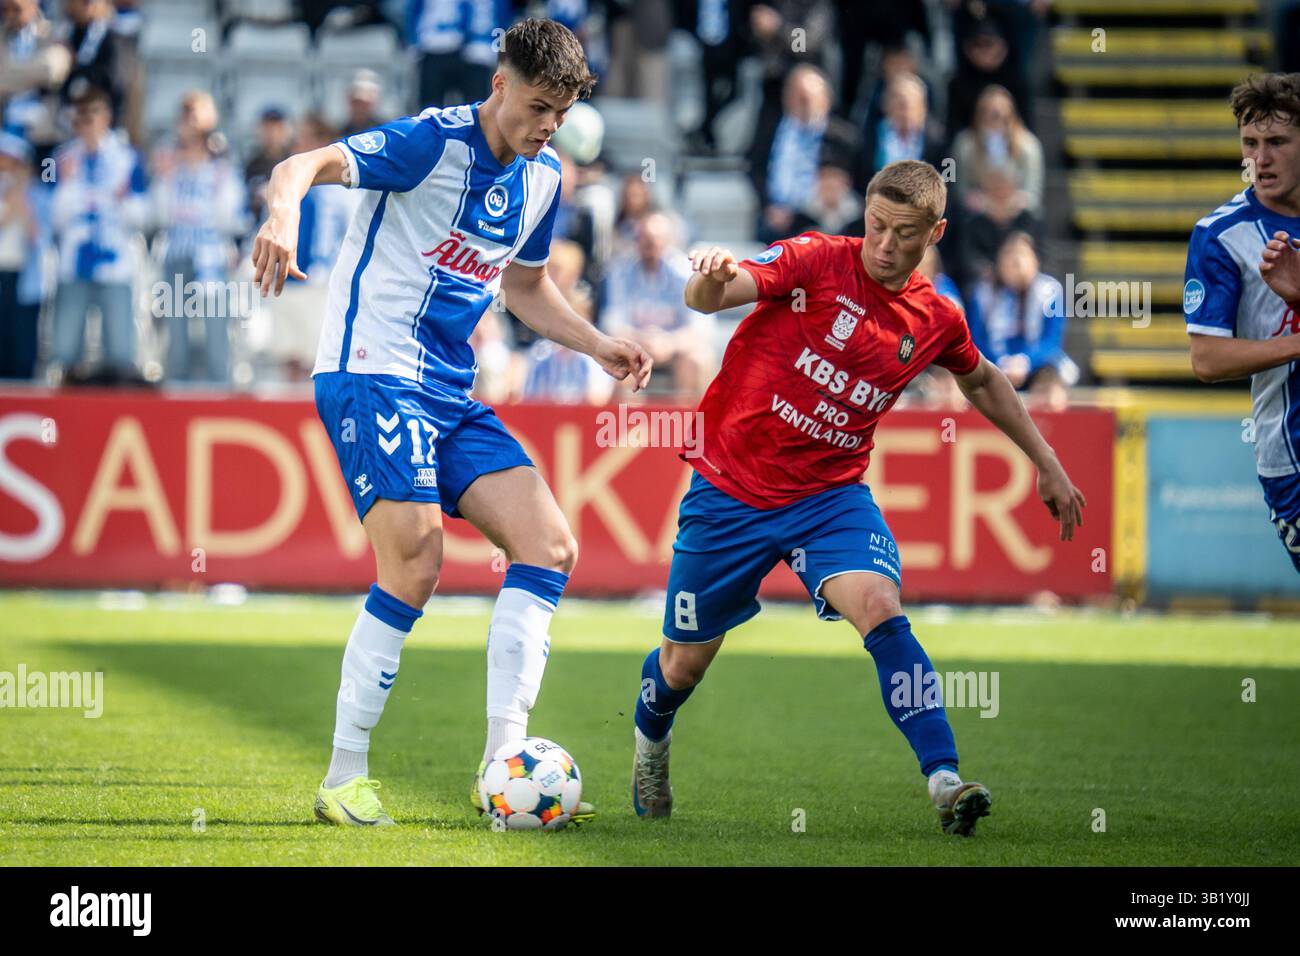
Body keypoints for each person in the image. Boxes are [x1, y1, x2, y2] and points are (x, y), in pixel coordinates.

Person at [251, 18, 652, 827]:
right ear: (499, 83)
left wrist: (598, 342)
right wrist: (282, 214)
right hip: (370, 370)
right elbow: (300, 165)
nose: (547, 127)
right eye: (538, 107)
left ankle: (502, 766)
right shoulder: (429, 144)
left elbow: (528, 289)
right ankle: (343, 777)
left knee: (549, 546)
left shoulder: (544, 180)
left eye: (562, 114)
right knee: (417, 562)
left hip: (446, 388)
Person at [630, 160, 1087, 834]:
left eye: (905, 233)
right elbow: (714, 297)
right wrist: (712, 276)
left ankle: (944, 779)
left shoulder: (934, 316)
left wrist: (1046, 461)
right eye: (876, 225)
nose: (885, 244)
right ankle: (651, 744)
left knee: (878, 604)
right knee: (683, 664)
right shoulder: (816, 259)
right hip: (731, 488)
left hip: (829, 496)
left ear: (936, 231)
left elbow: (983, 380)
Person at [1188, 72, 1300, 575]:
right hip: (1292, 454)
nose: (1261, 158)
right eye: (1250, 144)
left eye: (1277, 142)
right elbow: (1207, 358)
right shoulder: (1222, 235)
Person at [49, 86, 147, 383]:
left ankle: (117, 411)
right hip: (74, 263)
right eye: (80, 117)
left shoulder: (127, 158)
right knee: (65, 347)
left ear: (105, 117)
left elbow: (144, 215)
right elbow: (54, 218)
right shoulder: (62, 158)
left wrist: (121, 201)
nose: (86, 124)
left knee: (120, 349)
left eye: (92, 115)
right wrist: (67, 185)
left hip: (115, 264)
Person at [966, 231, 1076, 410]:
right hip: (994, 365)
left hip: (1036, 366)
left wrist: (1025, 362)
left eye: (1022, 255)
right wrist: (1000, 363)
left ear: (1035, 261)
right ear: (999, 262)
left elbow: (1051, 342)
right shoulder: (984, 292)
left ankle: (1050, 430)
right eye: (1009, 255)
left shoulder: (1050, 292)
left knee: (1052, 383)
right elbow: (975, 338)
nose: (1015, 262)